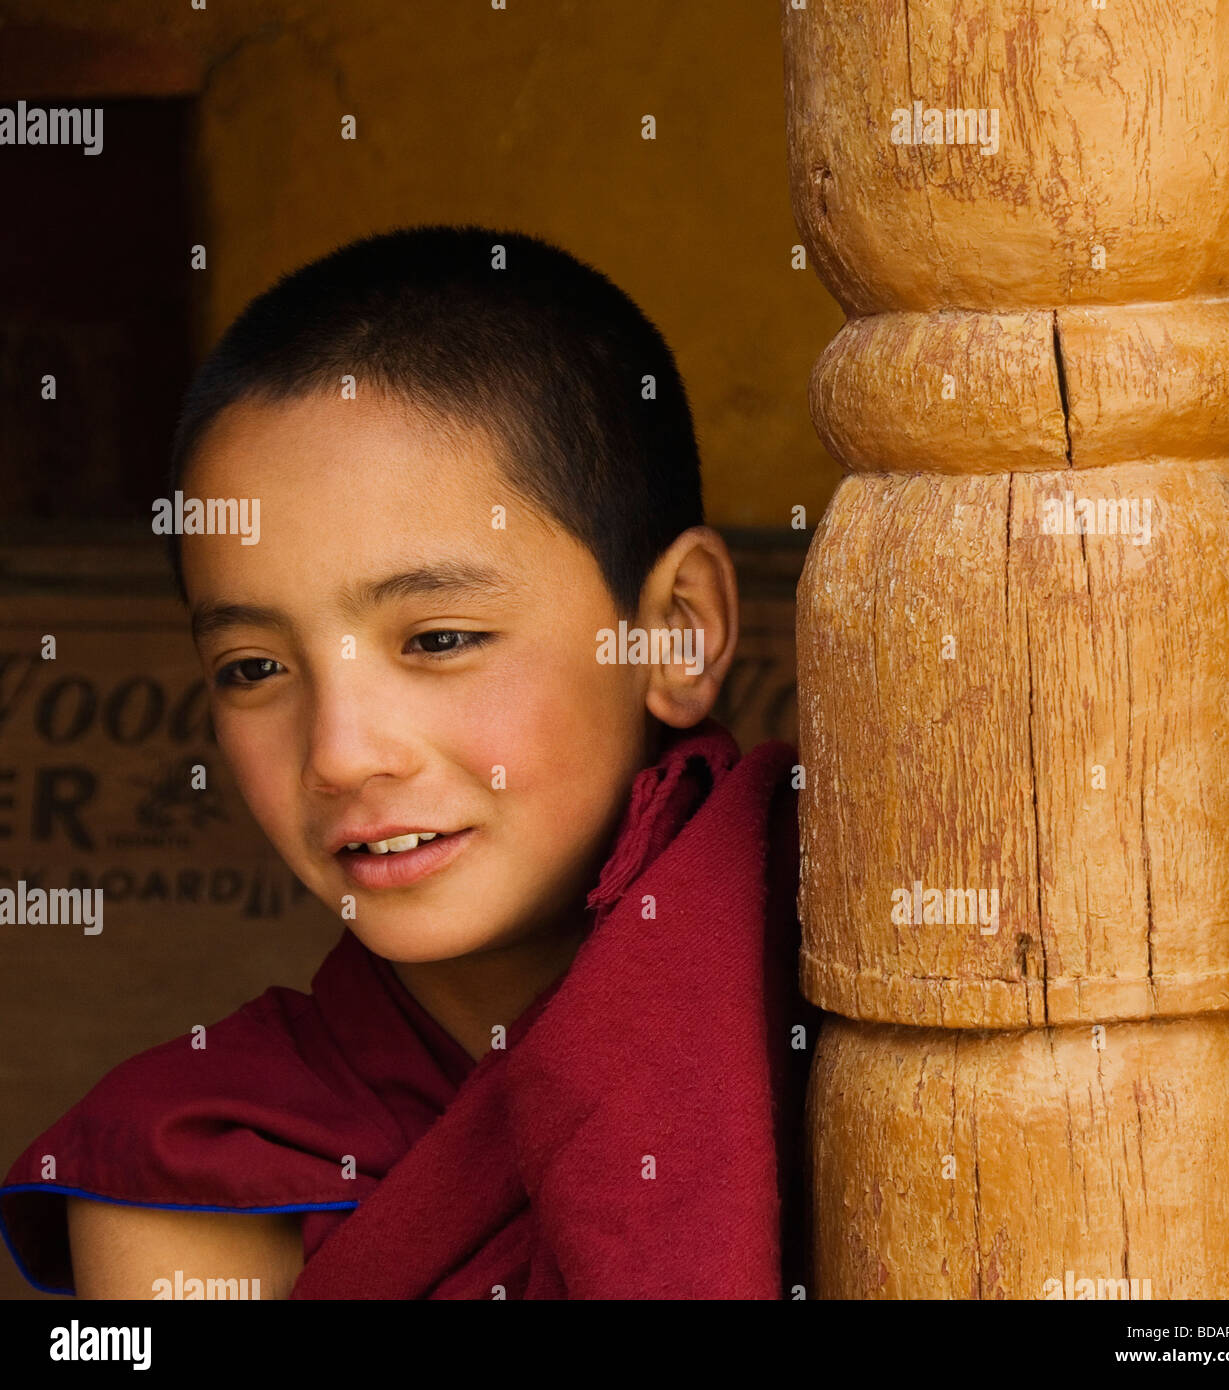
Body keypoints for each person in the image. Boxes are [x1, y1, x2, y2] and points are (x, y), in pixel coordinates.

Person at [0, 225, 816, 1299]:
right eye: (252, 667)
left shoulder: (873, 999)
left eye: (437, 640)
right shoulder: (202, 1166)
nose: (339, 753)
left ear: (674, 628)